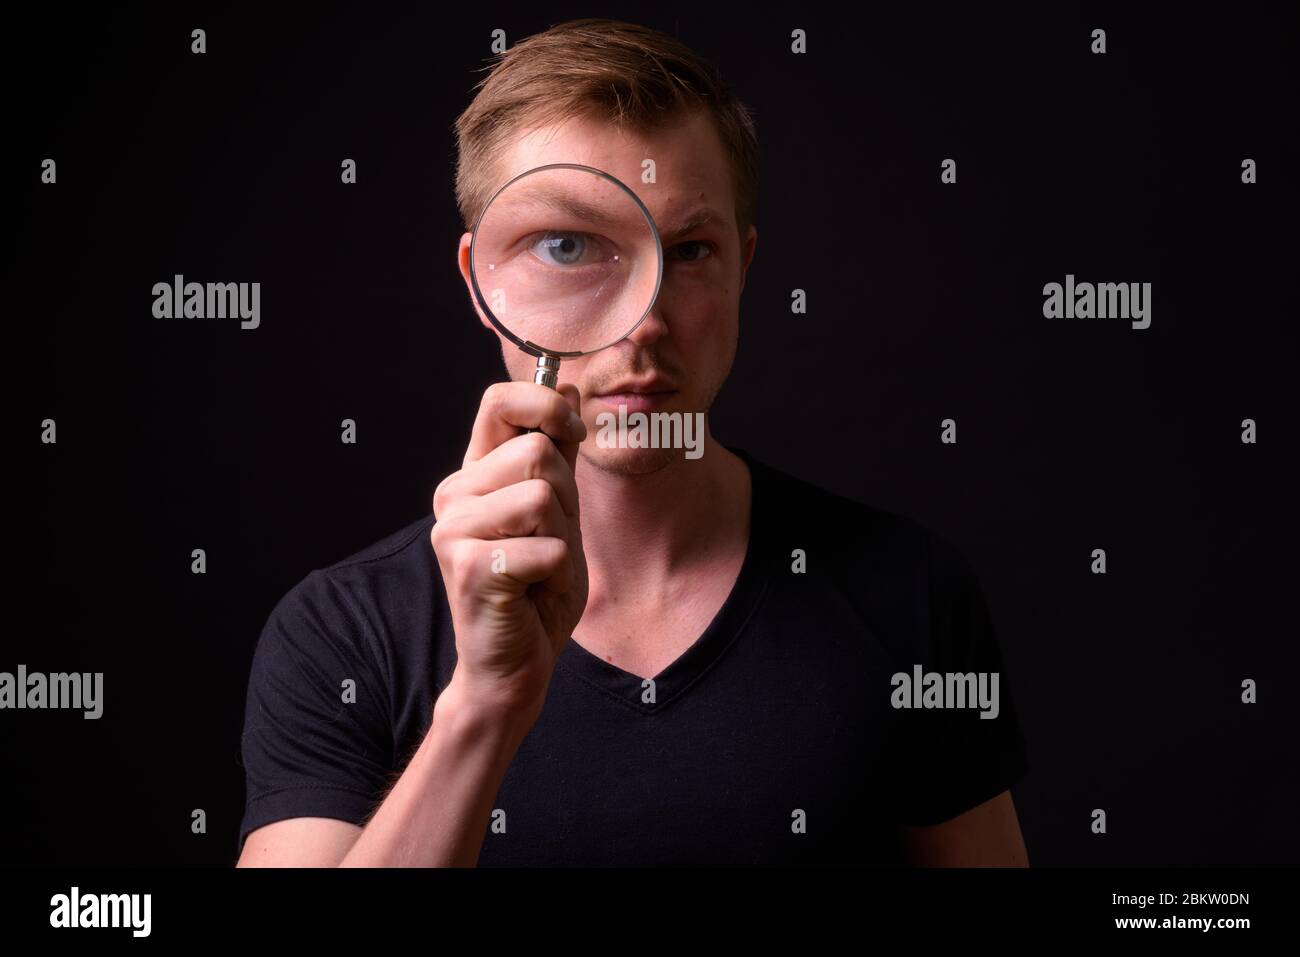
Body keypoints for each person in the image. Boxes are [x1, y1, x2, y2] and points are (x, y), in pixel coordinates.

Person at [236, 17, 1030, 867]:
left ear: (743, 267)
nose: (644, 325)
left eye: (688, 251)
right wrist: (486, 702)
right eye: (569, 246)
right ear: (481, 282)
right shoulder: (341, 633)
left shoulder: (907, 595)